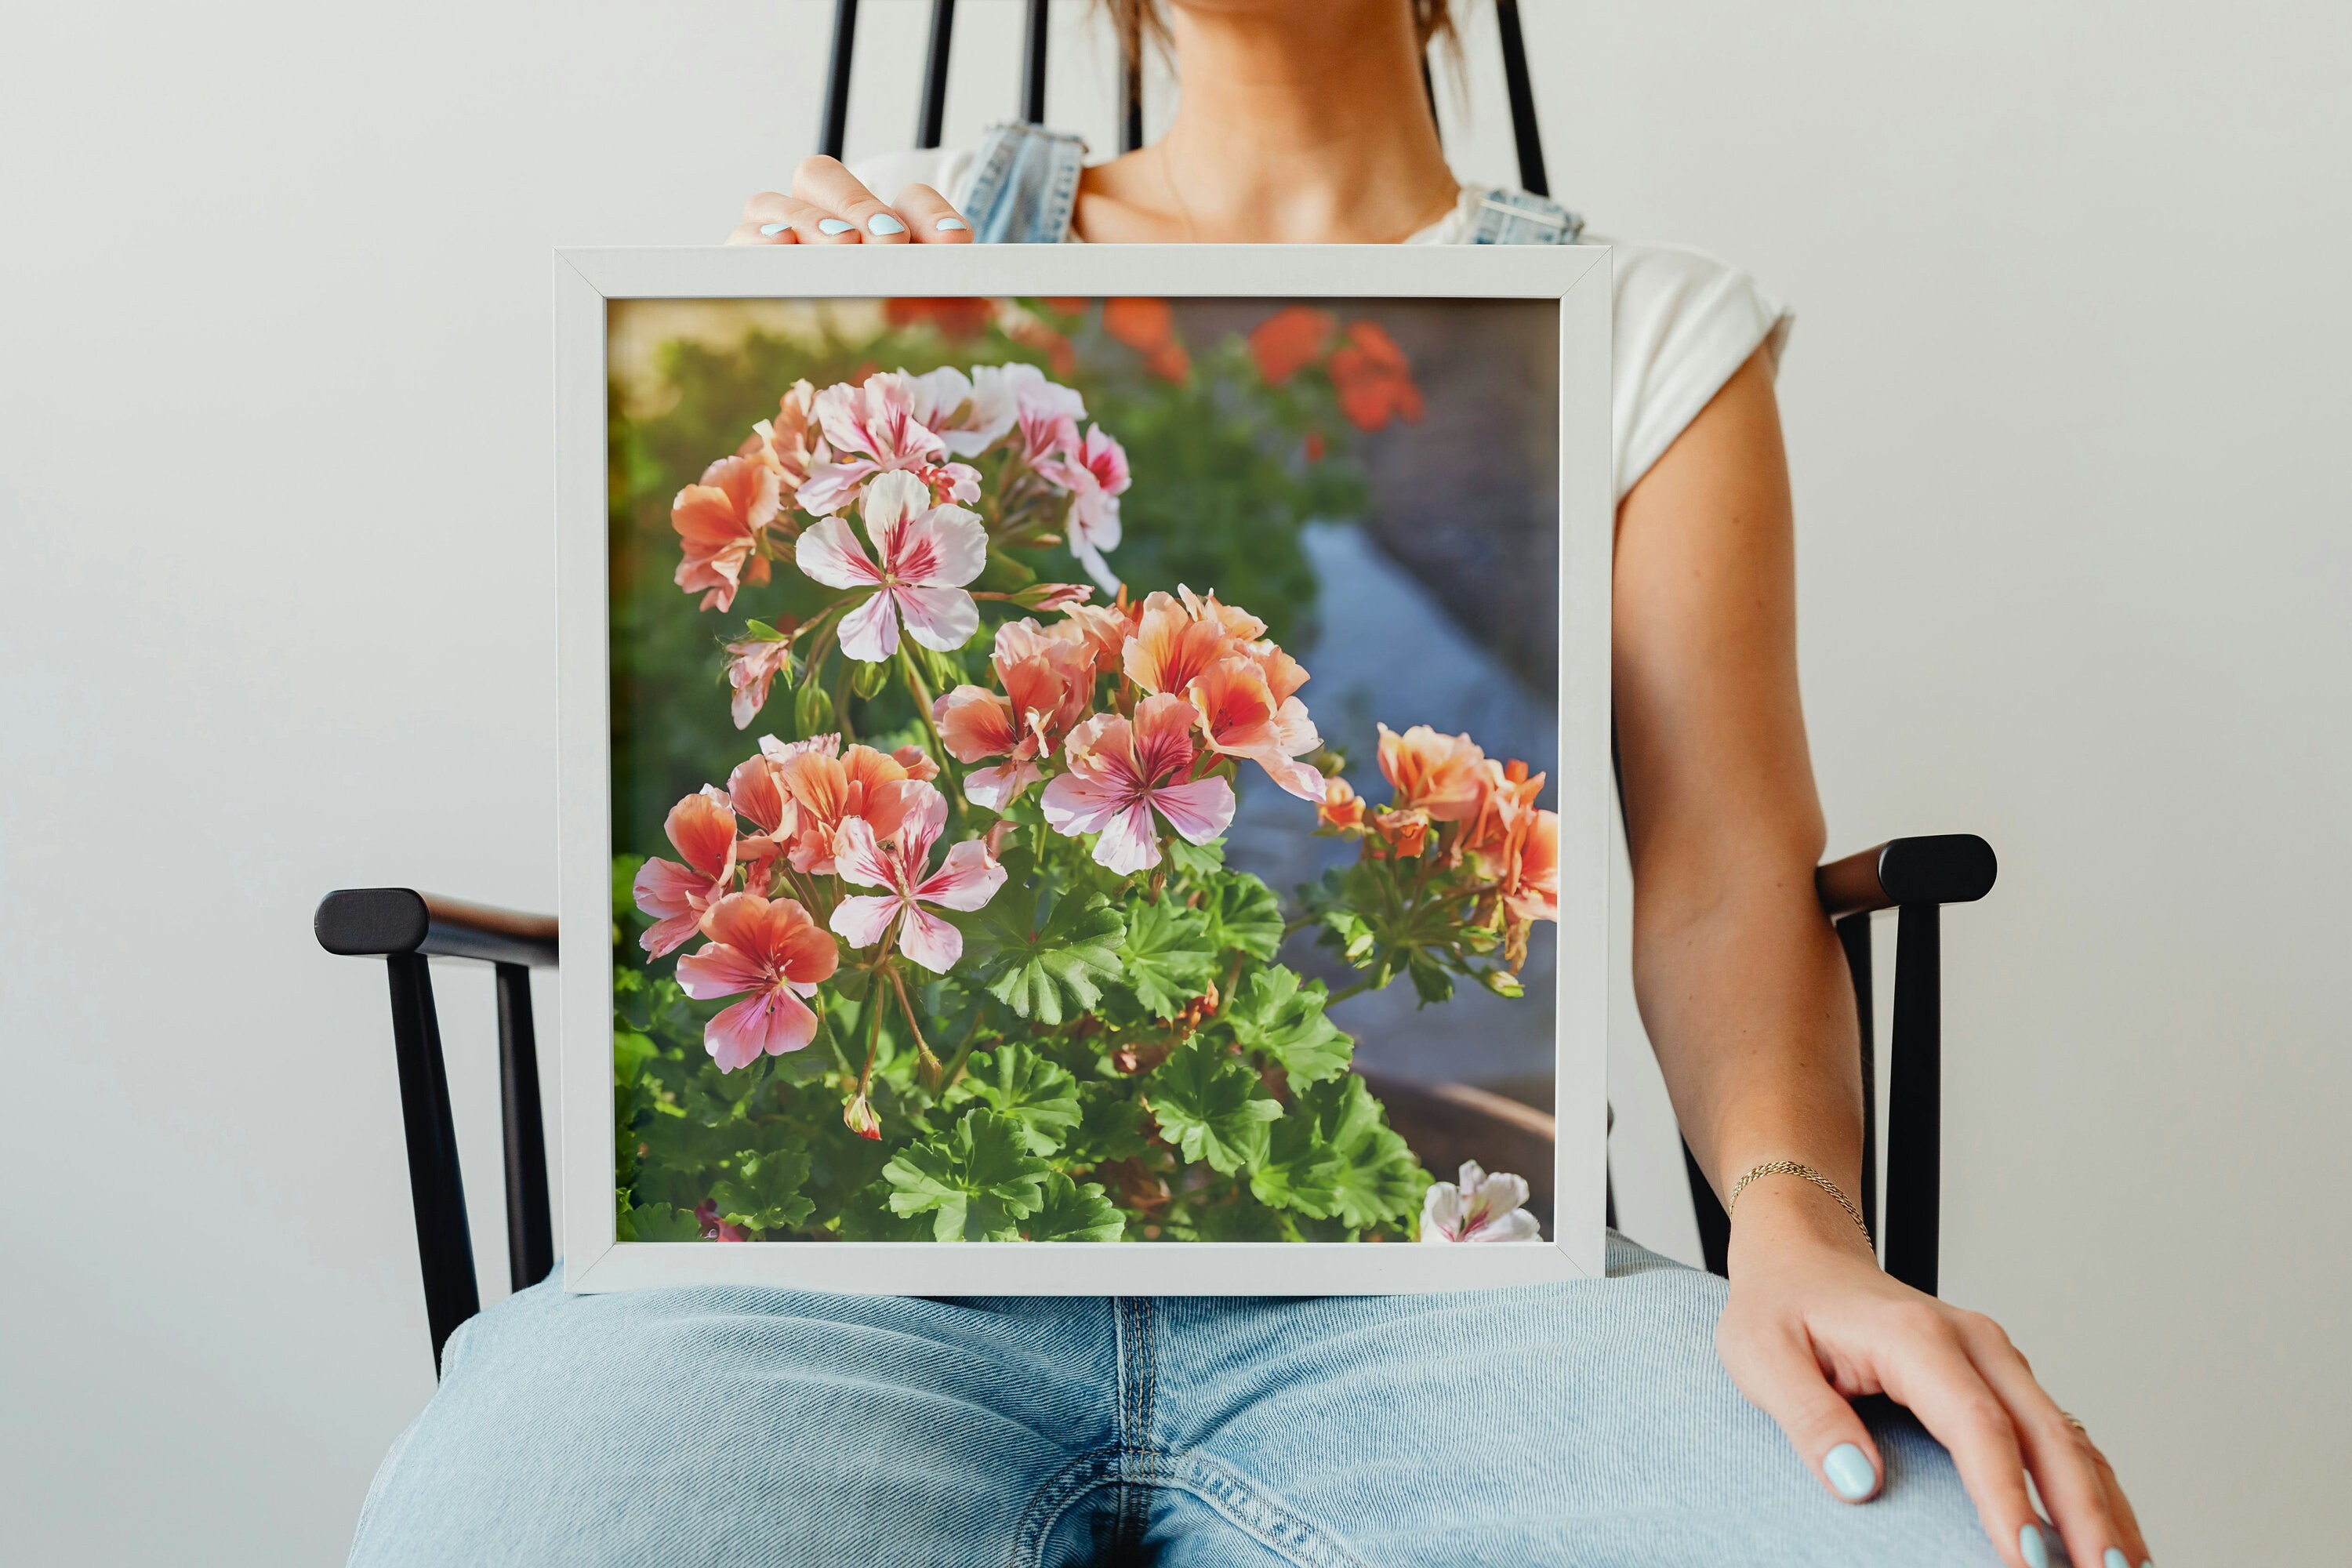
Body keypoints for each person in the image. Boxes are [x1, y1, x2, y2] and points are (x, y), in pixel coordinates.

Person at [351, 4, 2151, 1565]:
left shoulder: (1647, 326)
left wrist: (1794, 1219)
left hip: (1448, 1293)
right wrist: (802, 337)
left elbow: (1717, 871)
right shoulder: (894, 234)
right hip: (843, 1288)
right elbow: (749, 753)